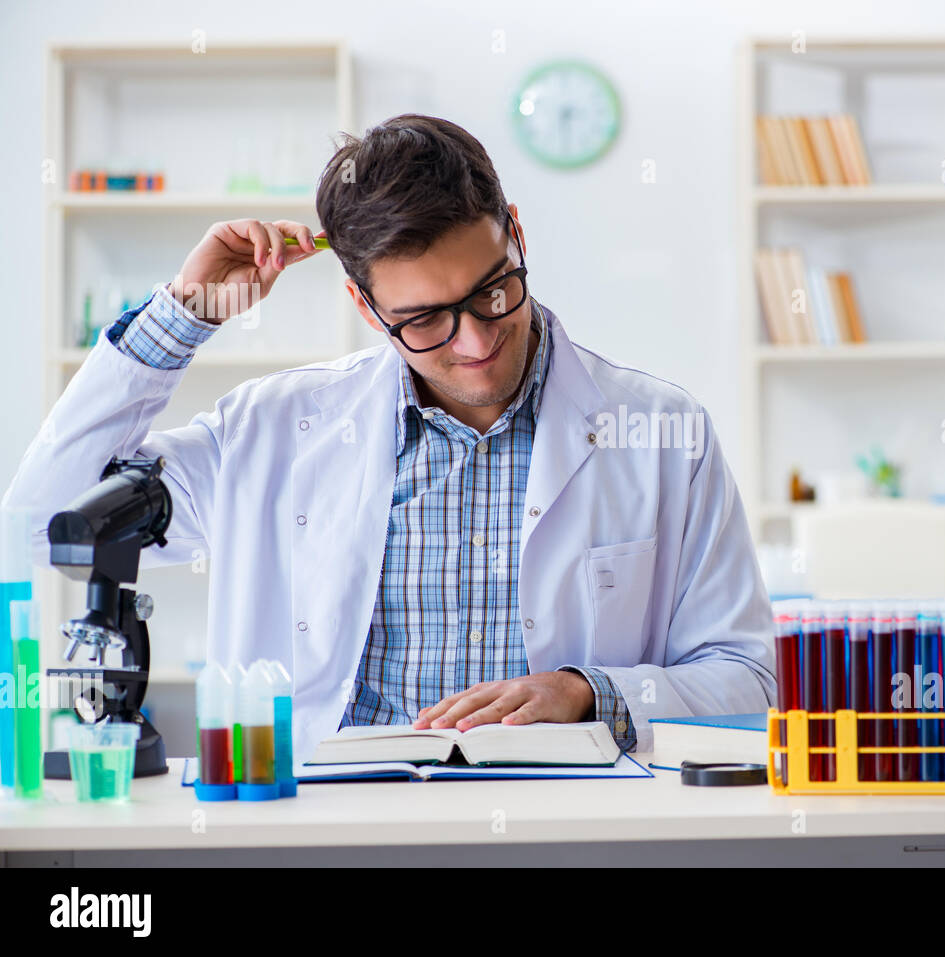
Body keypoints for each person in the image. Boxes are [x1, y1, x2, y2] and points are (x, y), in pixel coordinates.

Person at [3, 114, 775, 760]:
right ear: (365, 305)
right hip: (330, 835)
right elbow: (44, 523)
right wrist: (183, 314)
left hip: (563, 829)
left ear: (516, 236)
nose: (474, 343)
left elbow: (749, 680)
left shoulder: (661, 432)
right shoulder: (273, 432)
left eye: (493, 292)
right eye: (424, 319)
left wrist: (588, 691)